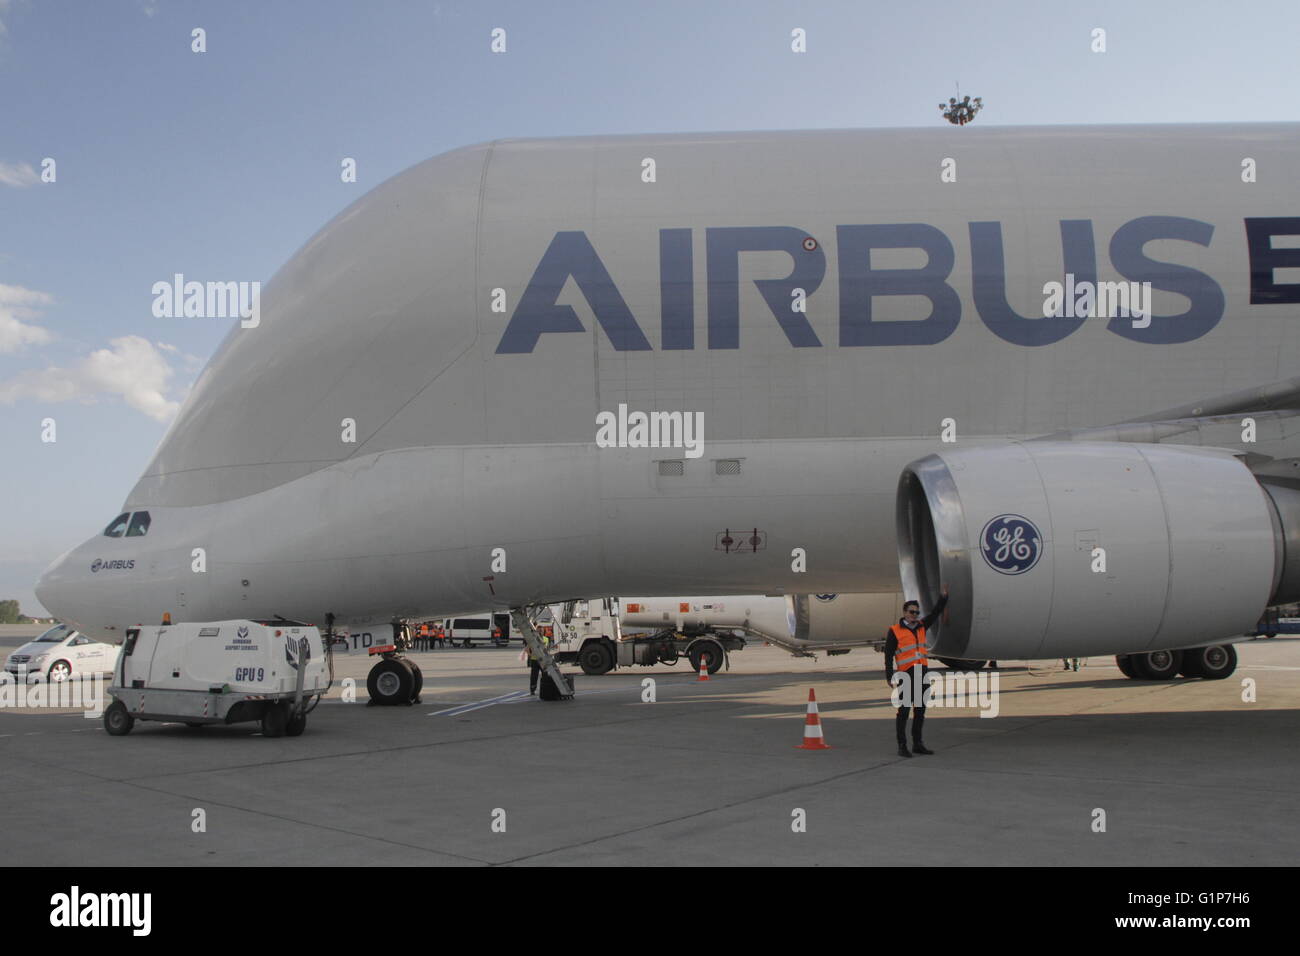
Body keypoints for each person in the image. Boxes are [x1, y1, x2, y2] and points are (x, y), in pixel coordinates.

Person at [884, 590, 949, 757]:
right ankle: (902, 745)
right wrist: (889, 674)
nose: (914, 615)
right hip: (906, 675)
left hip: (922, 673)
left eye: (917, 612)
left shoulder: (921, 626)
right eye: (912, 612)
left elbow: (935, 614)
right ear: (905, 612)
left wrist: (943, 598)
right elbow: (889, 654)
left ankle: (918, 743)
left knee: (920, 710)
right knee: (904, 711)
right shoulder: (895, 631)